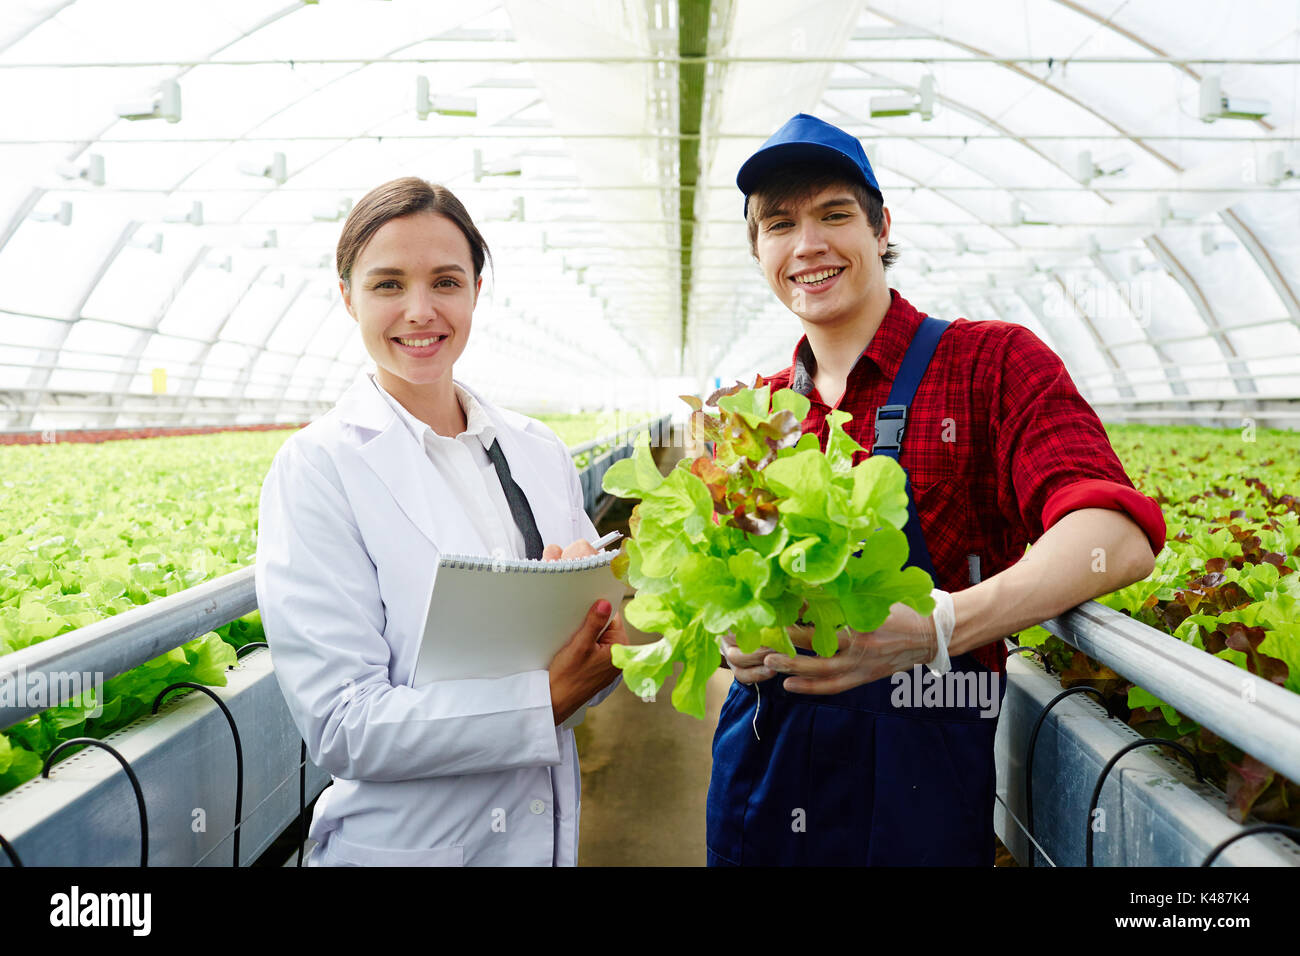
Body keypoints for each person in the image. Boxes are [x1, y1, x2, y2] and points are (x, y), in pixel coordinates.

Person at [706, 114, 1167, 866]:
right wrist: (733, 635)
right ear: (759, 250)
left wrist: (939, 628)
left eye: (834, 214)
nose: (807, 245)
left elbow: (1113, 538)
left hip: (916, 788)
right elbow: (722, 584)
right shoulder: (750, 414)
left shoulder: (989, 364)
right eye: (779, 224)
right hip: (760, 779)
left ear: (882, 226)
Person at [254, 176, 626, 867]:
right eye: (388, 284)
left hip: (541, 836)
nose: (420, 311)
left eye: (446, 282)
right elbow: (343, 726)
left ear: (477, 291)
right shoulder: (319, 468)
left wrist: (607, 630)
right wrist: (537, 703)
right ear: (348, 297)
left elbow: (592, 642)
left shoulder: (535, 450)